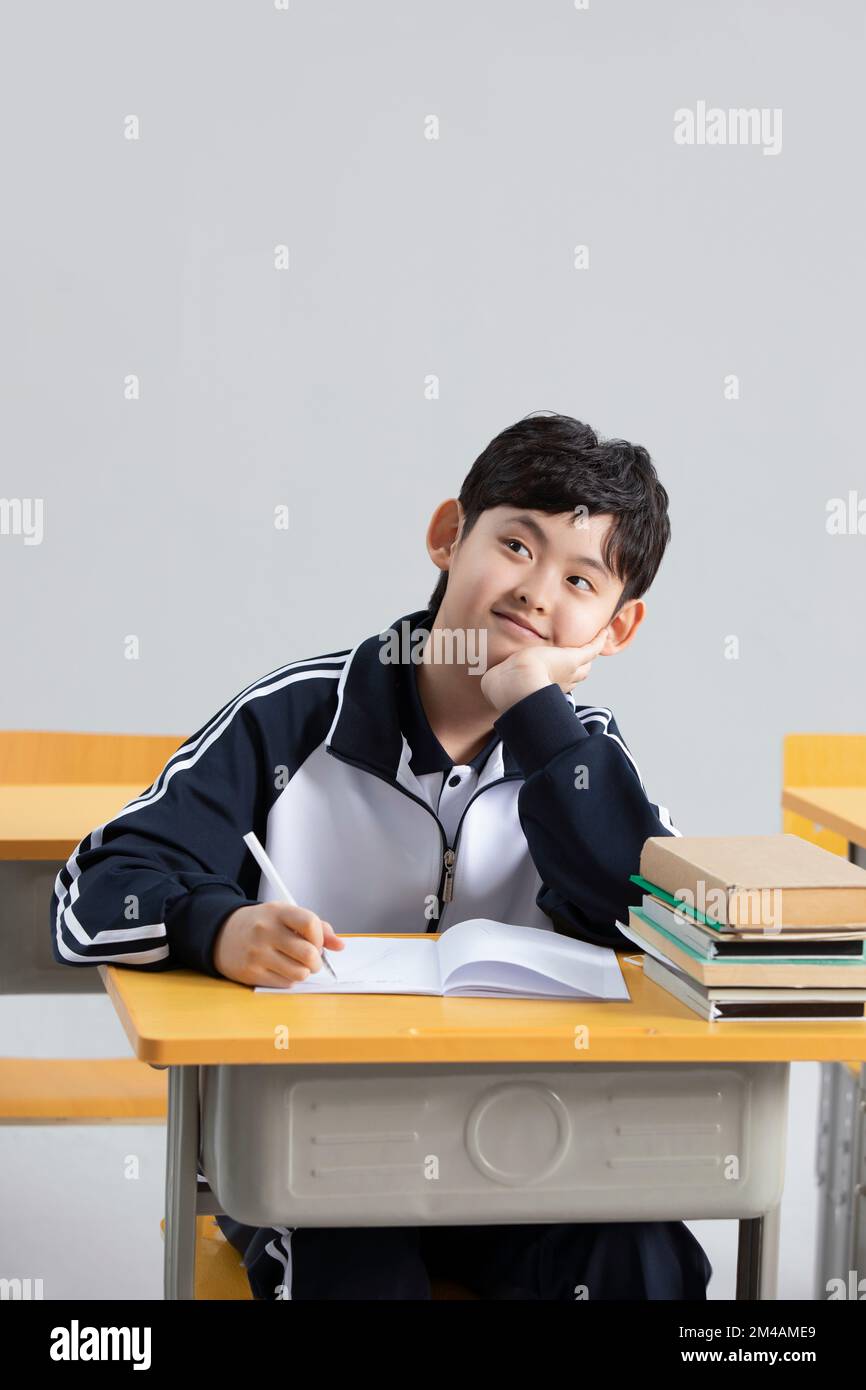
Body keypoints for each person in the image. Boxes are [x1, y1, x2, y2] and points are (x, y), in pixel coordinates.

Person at [50, 410, 713, 1300]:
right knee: (359, 1279)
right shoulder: (292, 718)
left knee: (639, 1258)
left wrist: (533, 709)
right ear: (449, 536)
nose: (536, 592)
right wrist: (216, 925)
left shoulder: (582, 756)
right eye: (516, 545)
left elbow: (657, 927)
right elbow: (97, 885)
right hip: (314, 1151)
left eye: (580, 580)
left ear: (615, 630)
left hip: (527, 1145)